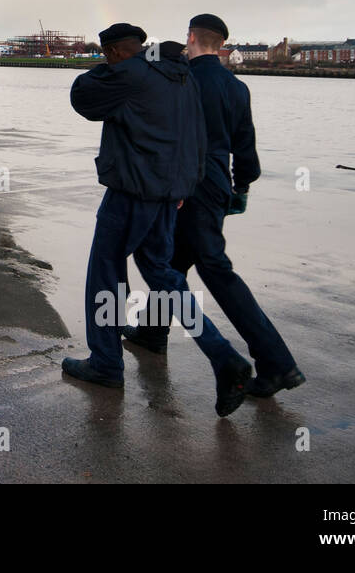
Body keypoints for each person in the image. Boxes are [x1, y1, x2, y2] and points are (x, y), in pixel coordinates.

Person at [64, 22, 253, 417]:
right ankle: (224, 358)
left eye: (107, 55)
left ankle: (106, 363)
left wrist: (113, 66)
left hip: (131, 193)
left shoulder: (130, 73)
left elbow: (82, 97)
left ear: (115, 51)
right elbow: (198, 136)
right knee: (164, 276)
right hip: (170, 196)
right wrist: (184, 187)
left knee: (106, 271)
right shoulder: (182, 76)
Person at [124, 14, 305, 398]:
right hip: (219, 187)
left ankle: (277, 364)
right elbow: (247, 149)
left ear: (190, 38)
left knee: (217, 273)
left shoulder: (183, 80)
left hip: (189, 190)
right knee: (171, 264)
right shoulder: (237, 87)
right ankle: (153, 332)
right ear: (222, 45)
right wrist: (241, 187)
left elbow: (170, 138)